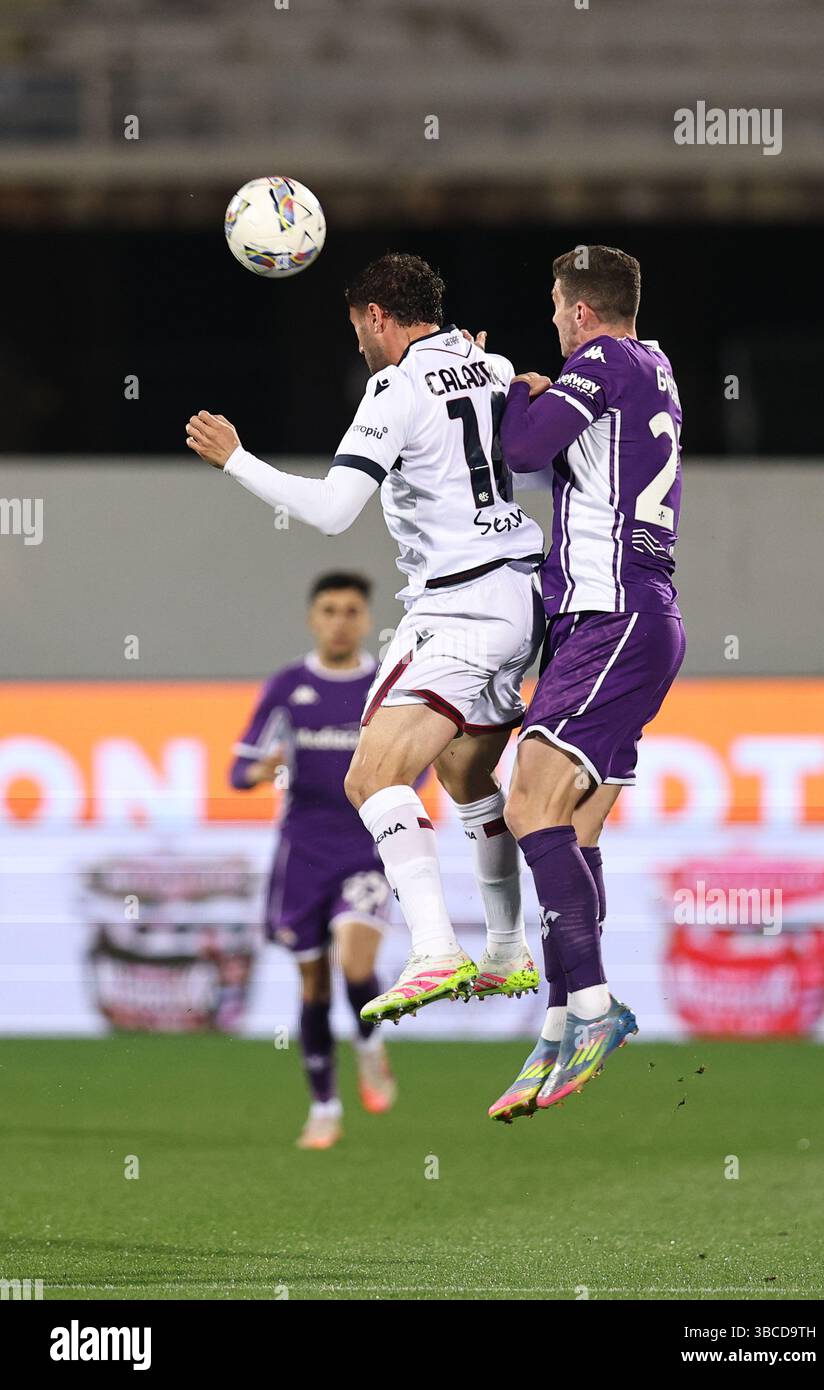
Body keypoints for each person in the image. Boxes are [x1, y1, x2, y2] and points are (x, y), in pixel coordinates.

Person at [187, 253, 546, 1026]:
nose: (358, 345)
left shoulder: (398, 386)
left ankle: (434, 949)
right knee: (467, 777)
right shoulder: (491, 361)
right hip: (522, 596)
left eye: (358, 329)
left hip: (459, 608)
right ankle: (509, 949)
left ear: (378, 316)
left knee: (369, 779)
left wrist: (236, 459)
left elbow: (332, 510)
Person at [487, 245, 686, 1121]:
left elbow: (523, 450)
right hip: (633, 620)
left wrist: (513, 391)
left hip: (612, 618)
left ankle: (597, 1010)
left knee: (526, 798)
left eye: (557, 308)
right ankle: (562, 1019)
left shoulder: (601, 359)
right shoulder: (658, 365)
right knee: (573, 822)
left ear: (579, 311)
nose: (557, 323)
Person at [230, 571, 394, 1151]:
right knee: (313, 986)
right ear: (313, 617)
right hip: (301, 853)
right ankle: (324, 1107)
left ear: (367, 619)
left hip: (367, 848)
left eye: (352, 610)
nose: (341, 621)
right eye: (330, 610)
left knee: (354, 963)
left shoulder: (387, 686)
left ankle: (371, 1046)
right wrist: (264, 767)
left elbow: (417, 763)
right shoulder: (287, 687)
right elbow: (239, 770)